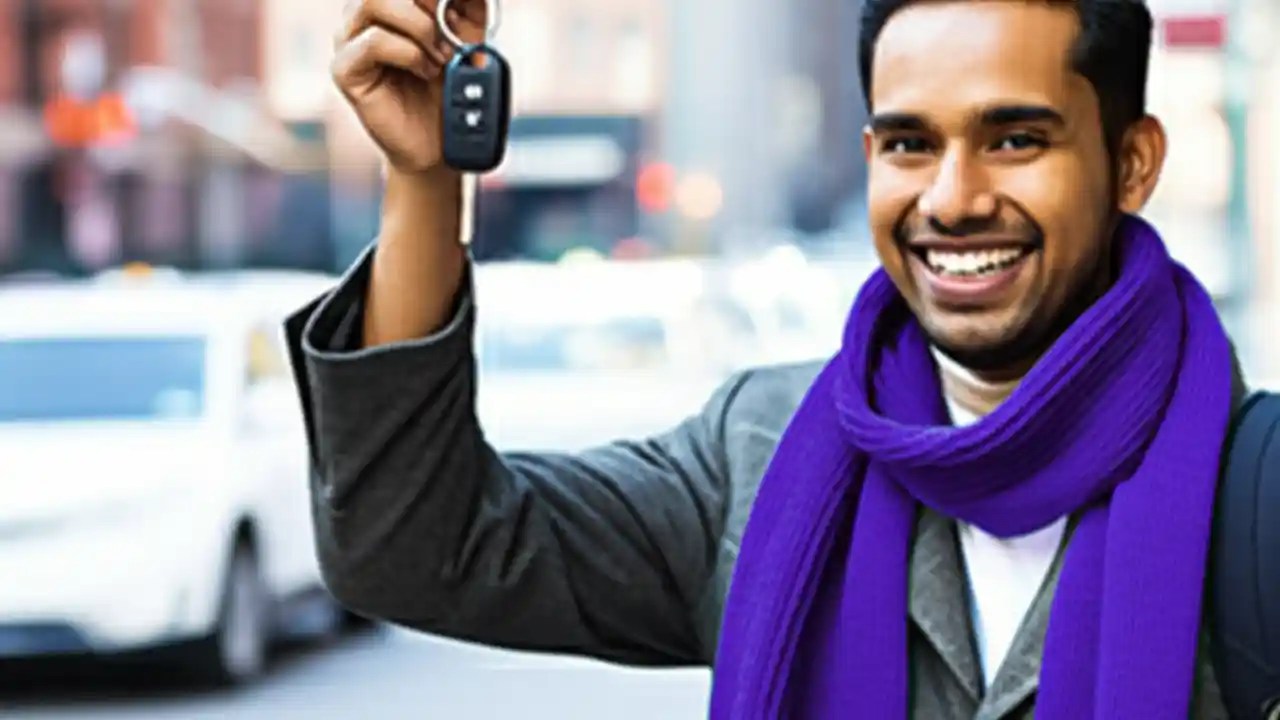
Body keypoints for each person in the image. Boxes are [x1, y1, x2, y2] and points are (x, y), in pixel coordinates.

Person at [286, 0, 1254, 716]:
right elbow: (411, 549)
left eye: (1013, 140)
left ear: (1130, 163)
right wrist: (422, 179)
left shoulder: (1251, 499)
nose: (952, 199)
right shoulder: (755, 458)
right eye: (909, 144)